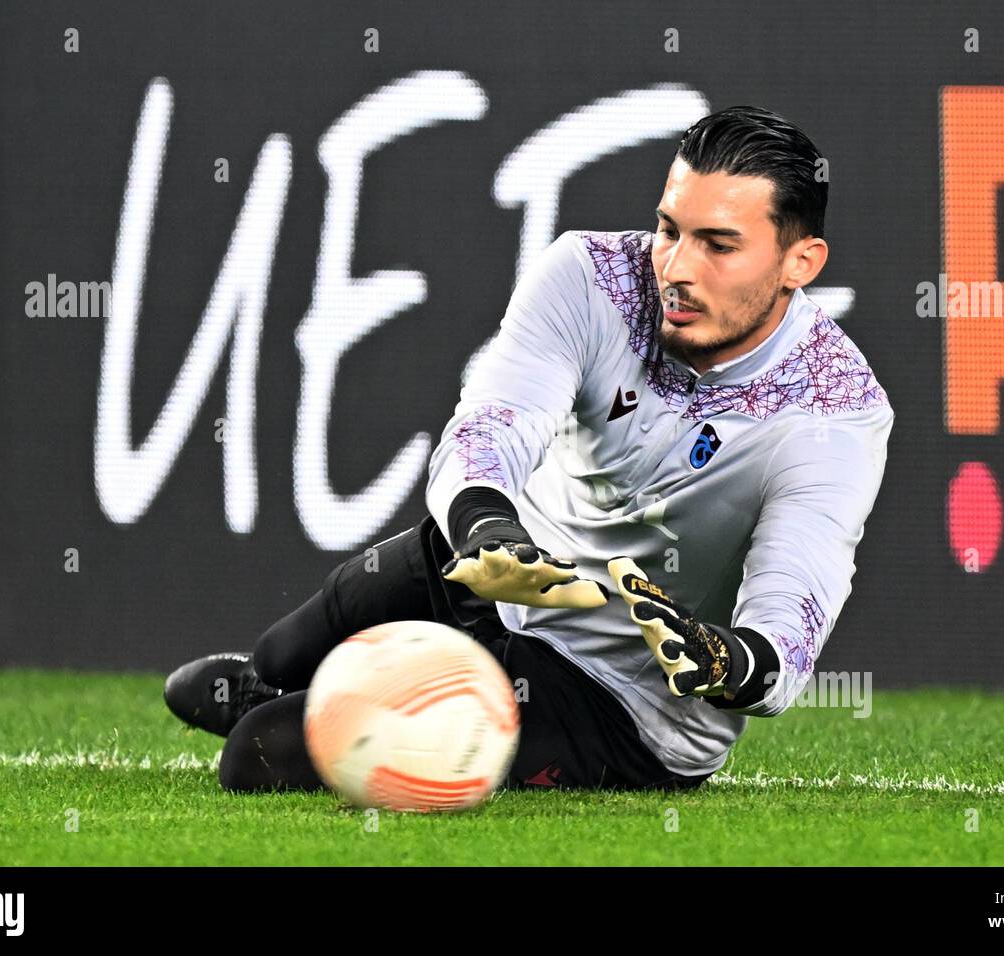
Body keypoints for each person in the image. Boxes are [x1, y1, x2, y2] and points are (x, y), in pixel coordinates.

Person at [164, 104, 893, 793]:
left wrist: (723, 660)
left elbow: (790, 629)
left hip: (617, 703)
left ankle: (335, 707)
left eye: (719, 245)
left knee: (258, 755)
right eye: (670, 229)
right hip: (503, 566)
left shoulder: (834, 412)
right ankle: (312, 685)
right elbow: (488, 429)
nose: (675, 268)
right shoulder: (591, 275)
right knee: (277, 659)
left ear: (802, 262)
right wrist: (494, 536)